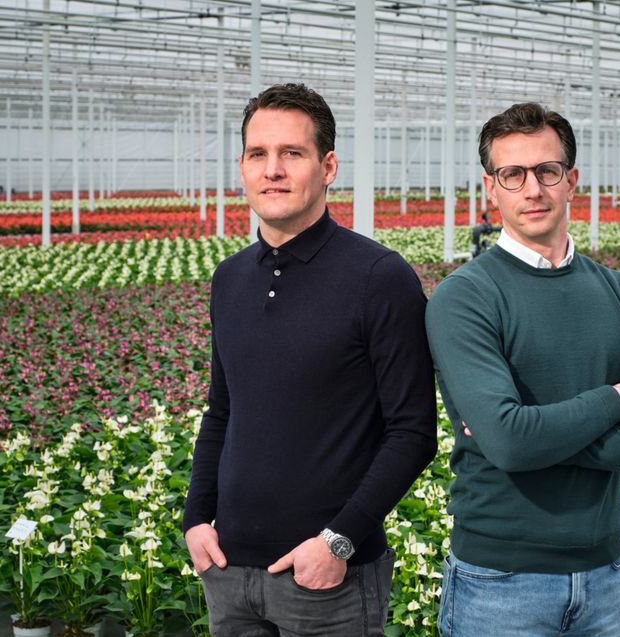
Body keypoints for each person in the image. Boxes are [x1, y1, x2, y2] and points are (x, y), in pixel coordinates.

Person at [425, 102, 620, 637]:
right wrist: (612, 400)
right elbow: (510, 443)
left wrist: (529, 437)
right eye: (513, 174)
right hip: (499, 583)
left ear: (571, 180)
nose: (533, 189)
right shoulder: (465, 298)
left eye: (547, 171)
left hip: (603, 578)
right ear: (491, 188)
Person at [183, 83, 437, 637]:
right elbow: (222, 411)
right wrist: (195, 519)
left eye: (292, 153)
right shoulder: (229, 279)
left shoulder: (379, 278)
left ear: (328, 167)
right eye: (258, 154)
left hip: (328, 581)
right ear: (242, 167)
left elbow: (413, 433)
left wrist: (338, 541)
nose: (272, 169)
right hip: (228, 571)